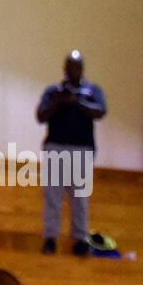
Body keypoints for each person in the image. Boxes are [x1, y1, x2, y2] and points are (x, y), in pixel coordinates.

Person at [36, 51, 105, 255]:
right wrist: (58, 102)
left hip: (82, 150)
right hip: (55, 147)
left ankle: (80, 238)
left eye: (76, 66)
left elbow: (100, 111)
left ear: (82, 68)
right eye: (69, 66)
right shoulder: (53, 92)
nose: (72, 70)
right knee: (52, 196)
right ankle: (50, 237)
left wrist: (77, 102)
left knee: (80, 197)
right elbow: (40, 116)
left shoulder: (92, 90)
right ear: (64, 68)